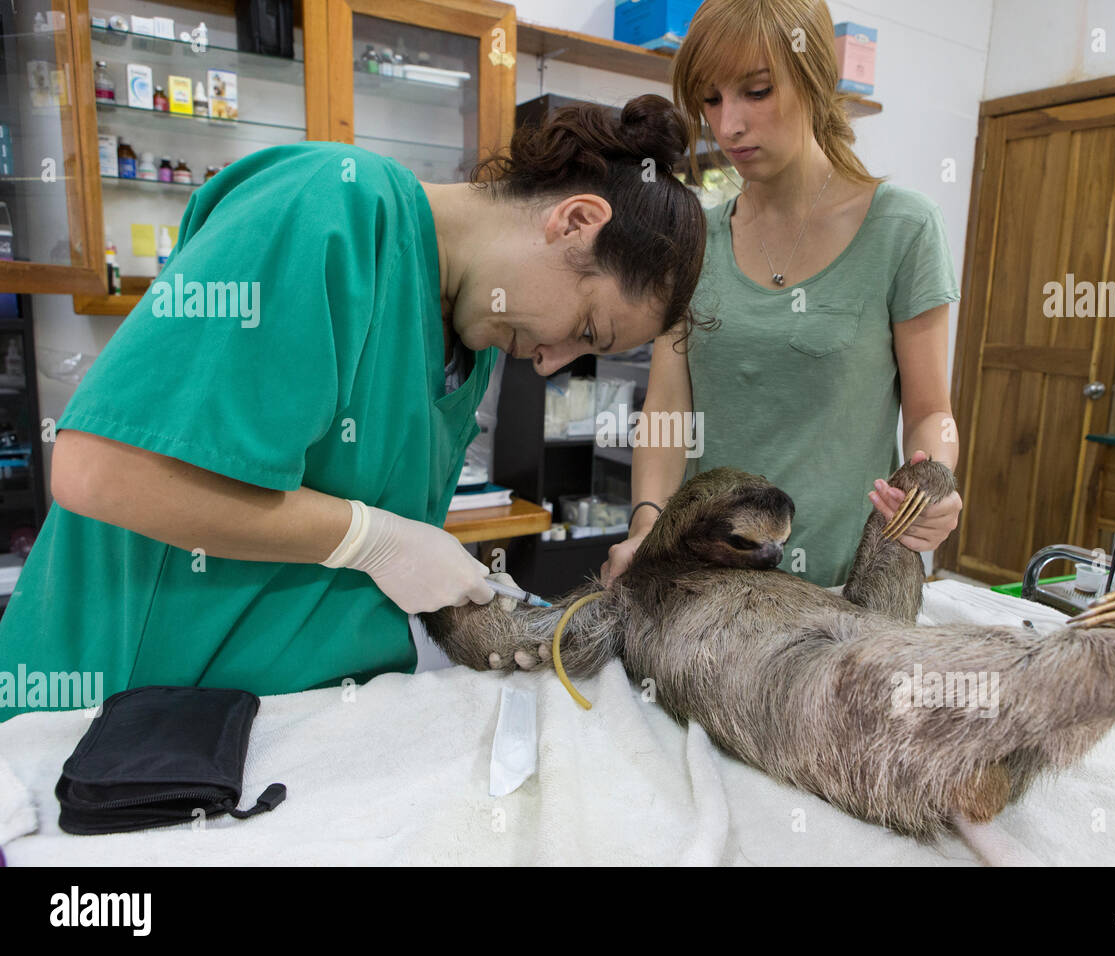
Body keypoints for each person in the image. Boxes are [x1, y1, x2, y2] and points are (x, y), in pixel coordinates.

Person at [0, 95, 705, 721]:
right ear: (575, 221)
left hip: (305, 725)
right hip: (135, 714)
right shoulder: (330, 207)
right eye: (586, 329)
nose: (551, 361)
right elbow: (101, 471)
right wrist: (375, 540)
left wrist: (457, 585)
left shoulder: (472, 338)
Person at [603, 0, 964, 589]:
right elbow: (668, 410)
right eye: (711, 100)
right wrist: (647, 526)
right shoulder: (695, 239)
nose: (728, 126)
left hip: (845, 590)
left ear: (816, 79)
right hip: (707, 587)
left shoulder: (902, 228)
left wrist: (936, 488)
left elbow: (931, 414)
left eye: (758, 91)